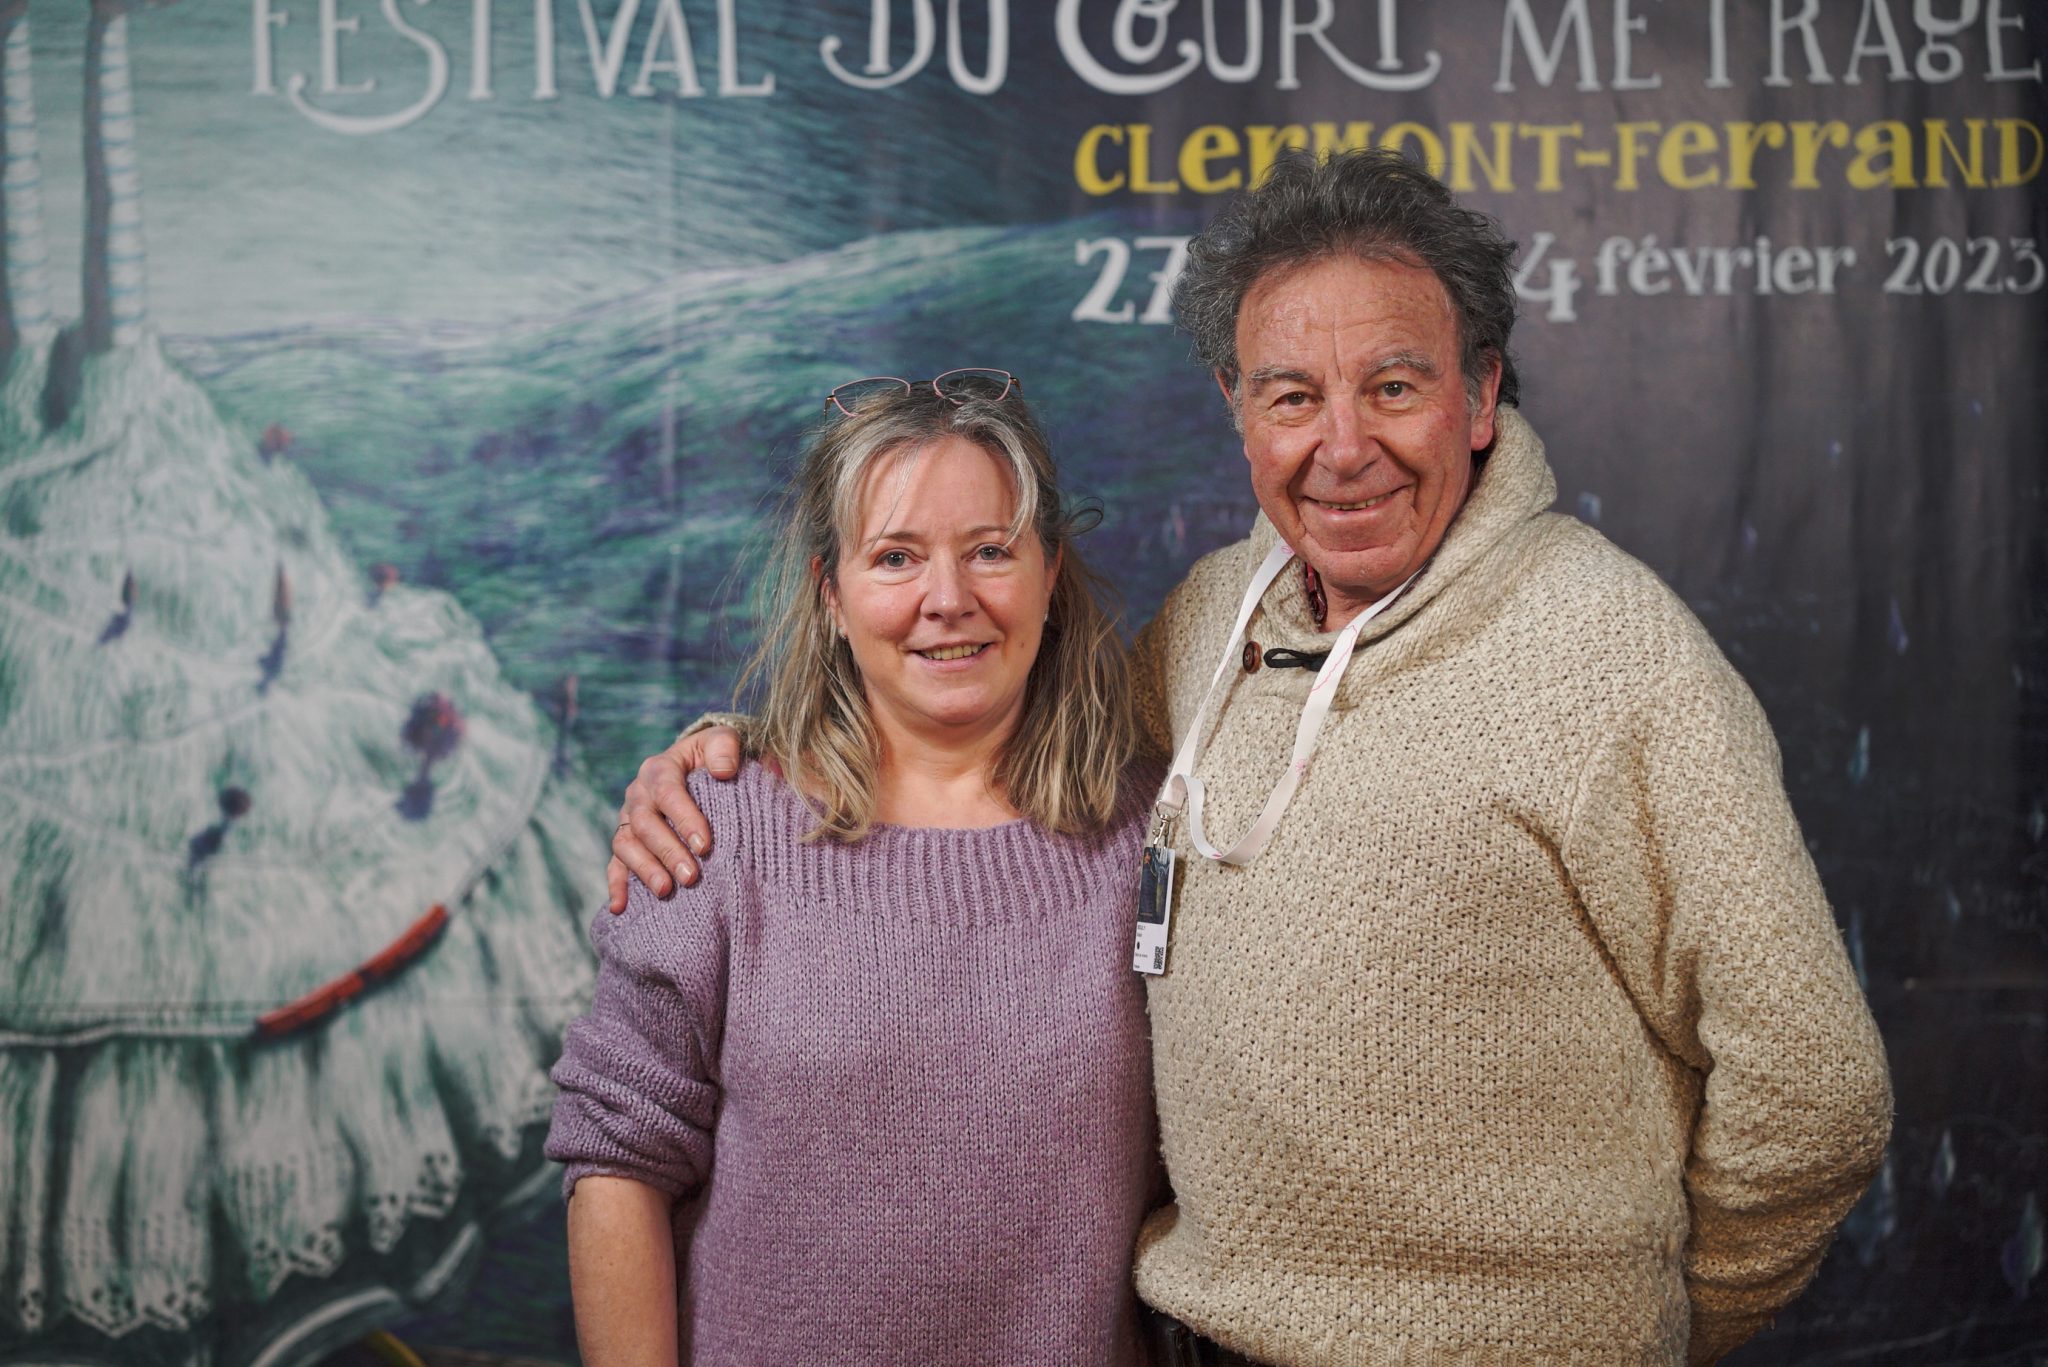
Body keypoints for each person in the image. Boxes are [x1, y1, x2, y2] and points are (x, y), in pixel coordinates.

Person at [610, 152, 1893, 1366]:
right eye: (1291, 395)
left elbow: (1816, 1090)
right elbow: (974, 710)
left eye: (1393, 386)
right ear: (1236, 409)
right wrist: (728, 759)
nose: (1341, 446)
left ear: (1482, 393)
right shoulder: (1213, 621)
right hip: (1202, 1342)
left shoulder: (1612, 655)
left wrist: (1639, 1324)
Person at [545, 373, 1162, 1367]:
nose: (946, 599)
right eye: (896, 557)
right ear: (831, 594)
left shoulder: (1154, 835)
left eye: (991, 551)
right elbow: (617, 1158)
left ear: (1050, 576)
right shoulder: (715, 828)